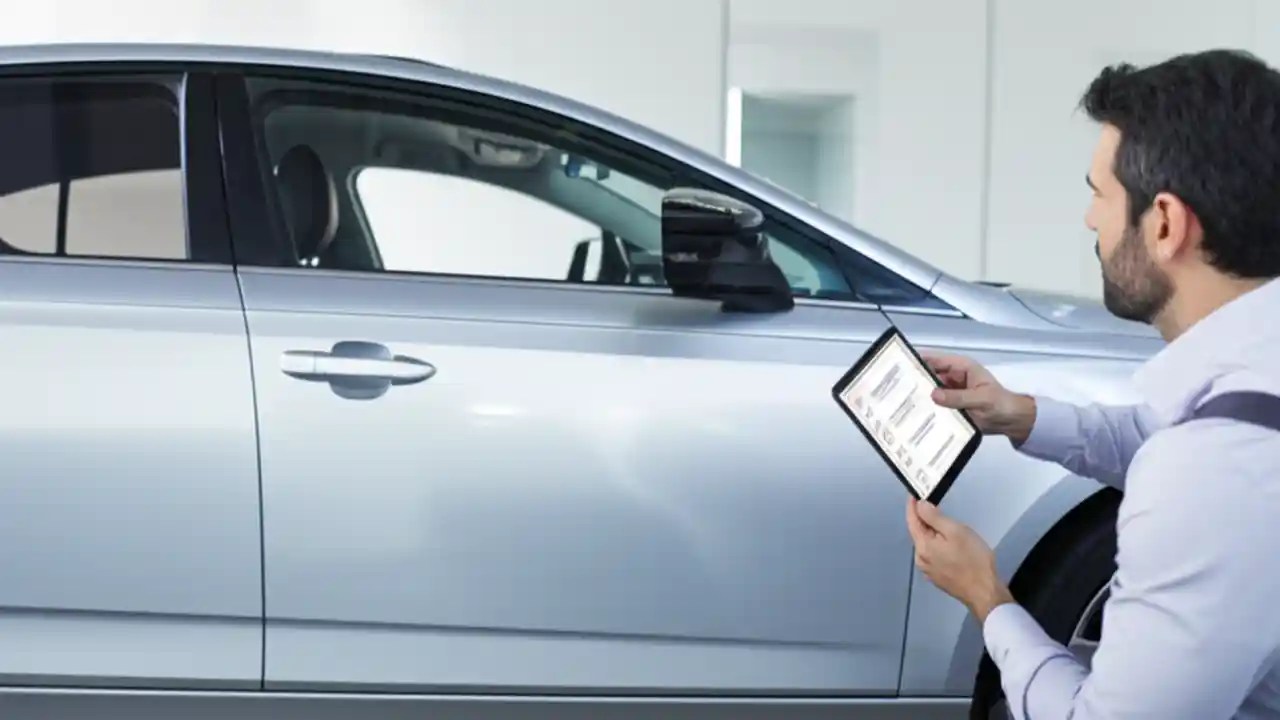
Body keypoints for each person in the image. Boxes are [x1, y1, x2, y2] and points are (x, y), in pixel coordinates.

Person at [905, 48, 1280, 719]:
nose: (1089, 220)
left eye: (1098, 193)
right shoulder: (1249, 392)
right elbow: (1168, 432)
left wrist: (988, 599)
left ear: (1164, 223)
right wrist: (1018, 415)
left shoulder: (1211, 476)